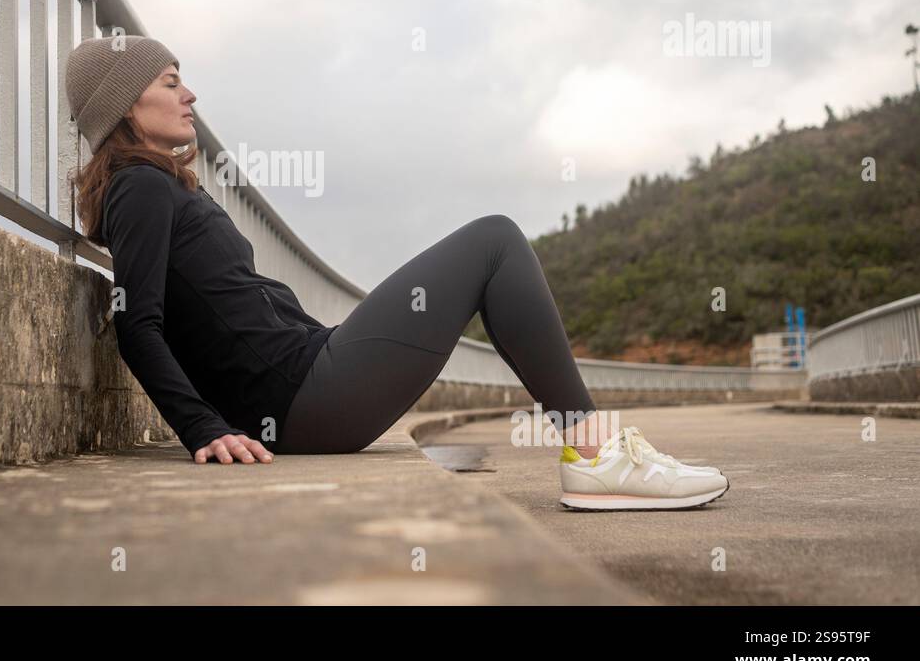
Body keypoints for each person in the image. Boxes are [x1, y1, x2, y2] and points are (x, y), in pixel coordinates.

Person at [65, 35, 729, 511]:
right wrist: (203, 428)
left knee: (491, 246)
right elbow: (136, 321)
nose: (191, 94)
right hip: (305, 398)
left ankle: (593, 451)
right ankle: (595, 454)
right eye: (170, 82)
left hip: (313, 374)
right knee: (495, 241)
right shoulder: (140, 190)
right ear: (126, 105)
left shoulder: (160, 187)